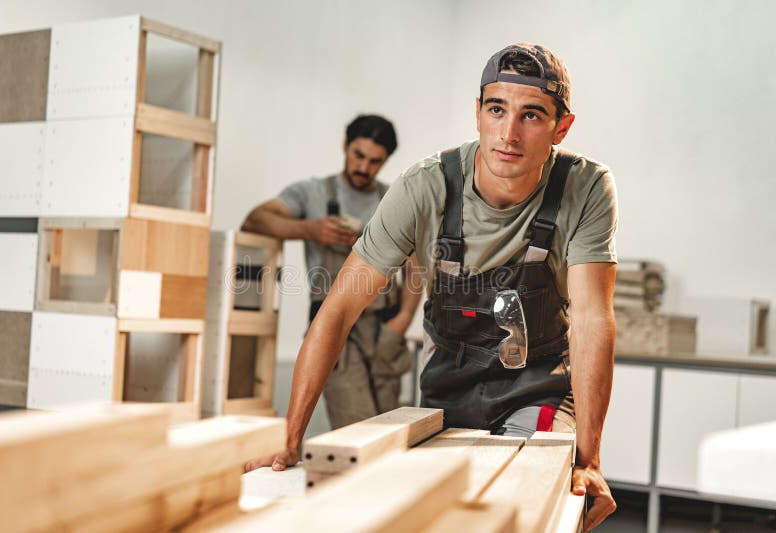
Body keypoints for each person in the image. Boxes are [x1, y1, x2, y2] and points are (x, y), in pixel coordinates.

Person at [246, 43, 618, 530]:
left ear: (560, 127)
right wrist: (292, 439)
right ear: (478, 113)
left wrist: (589, 460)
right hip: (447, 390)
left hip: (537, 388)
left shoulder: (585, 187)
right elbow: (336, 311)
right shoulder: (425, 188)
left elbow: (592, 320)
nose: (508, 133)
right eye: (496, 109)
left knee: (529, 501)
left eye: (531, 115)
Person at [241, 114, 422, 429]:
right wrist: (310, 229)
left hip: (384, 330)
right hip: (336, 329)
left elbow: (416, 265)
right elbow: (255, 220)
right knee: (360, 430)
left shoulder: (393, 198)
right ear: (345, 146)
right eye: (358, 155)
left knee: (394, 431)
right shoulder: (311, 192)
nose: (364, 168)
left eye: (375, 161)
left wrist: (403, 320)